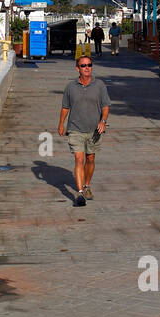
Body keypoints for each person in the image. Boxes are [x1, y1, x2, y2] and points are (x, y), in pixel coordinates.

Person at [57, 54, 110, 207]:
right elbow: (65, 107)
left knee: (90, 159)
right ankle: (79, 193)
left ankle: (86, 185)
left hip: (94, 130)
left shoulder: (99, 85)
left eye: (89, 65)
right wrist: (61, 124)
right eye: (83, 66)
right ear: (77, 69)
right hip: (75, 129)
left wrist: (103, 121)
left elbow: (105, 106)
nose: (87, 68)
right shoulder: (70, 87)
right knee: (79, 159)